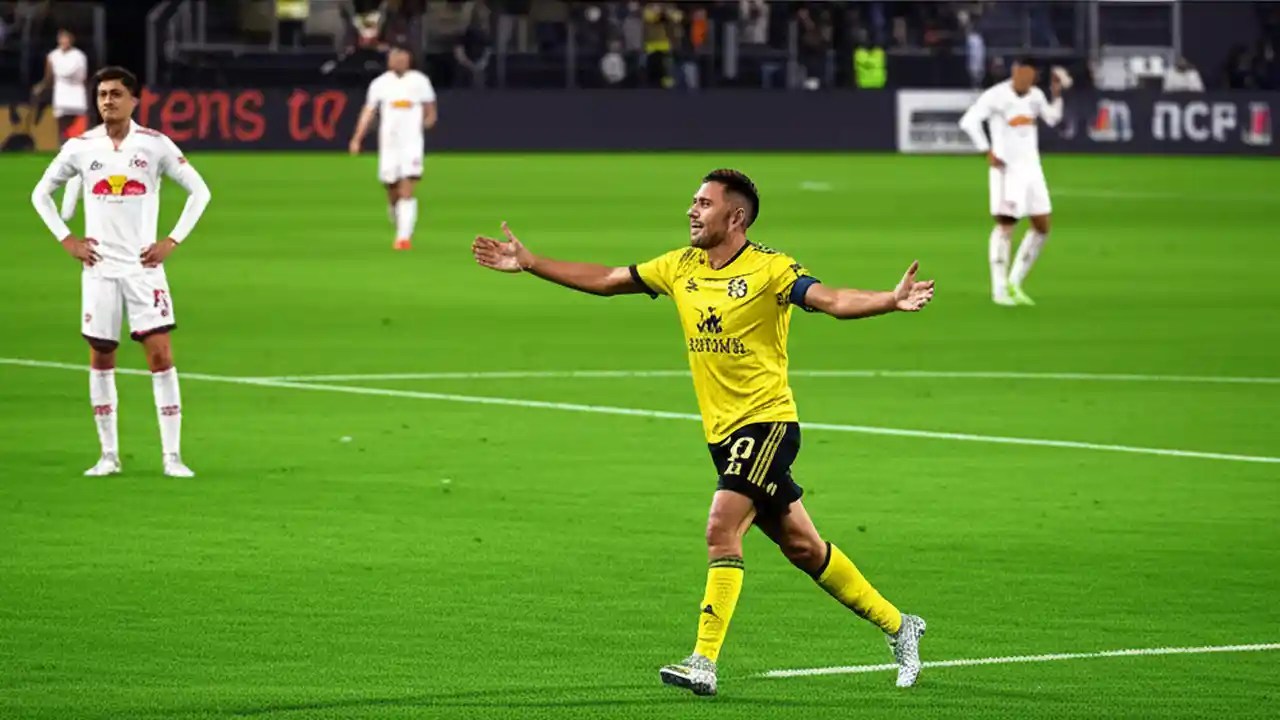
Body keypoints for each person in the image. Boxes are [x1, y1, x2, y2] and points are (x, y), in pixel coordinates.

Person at [471, 169, 934, 696]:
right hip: (722, 436)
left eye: (704, 203)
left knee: (721, 527)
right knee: (804, 548)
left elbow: (831, 300)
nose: (692, 210)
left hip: (766, 424)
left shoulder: (770, 269)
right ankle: (900, 625)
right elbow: (608, 279)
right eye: (693, 201)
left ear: (735, 217)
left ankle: (703, 660)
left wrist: (888, 299)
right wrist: (531, 263)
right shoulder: (680, 266)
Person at [30, 66, 212, 478]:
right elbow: (41, 194)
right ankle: (108, 455)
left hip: (143, 269)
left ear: (134, 100)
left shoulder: (154, 144)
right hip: (99, 270)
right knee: (101, 356)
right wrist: (67, 239)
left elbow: (200, 191)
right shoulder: (81, 147)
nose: (107, 101)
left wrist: (171, 241)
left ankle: (172, 456)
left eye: (115, 94)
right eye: (102, 95)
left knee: (161, 355)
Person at [959, 57, 1063, 306]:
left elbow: (1052, 118)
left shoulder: (1036, 96)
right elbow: (968, 121)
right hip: (1007, 171)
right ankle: (999, 289)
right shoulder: (996, 96)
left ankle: (1015, 282)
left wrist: (1058, 94)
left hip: (1032, 170)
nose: (1027, 78)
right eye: (1022, 72)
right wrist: (986, 149)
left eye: (1031, 74)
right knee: (1006, 226)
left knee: (1042, 226)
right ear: (1015, 72)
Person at [348, 47, 437, 251]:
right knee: (391, 187)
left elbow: (430, 109)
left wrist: (427, 122)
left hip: (411, 144)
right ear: (389, 61)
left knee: (407, 187)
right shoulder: (380, 84)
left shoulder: (420, 81)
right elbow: (368, 111)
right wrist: (357, 138)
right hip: (389, 144)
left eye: (403, 58)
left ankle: (403, 237)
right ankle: (397, 216)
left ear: (409, 60)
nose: (399, 62)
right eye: (395, 58)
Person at [32, 29, 90, 222]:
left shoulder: (79, 56)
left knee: (79, 137)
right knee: (63, 136)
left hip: (77, 97)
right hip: (62, 96)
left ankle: (80, 170)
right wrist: (42, 87)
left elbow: (82, 77)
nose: (64, 41)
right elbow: (49, 77)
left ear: (71, 40)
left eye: (67, 38)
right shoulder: (53, 56)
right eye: (61, 38)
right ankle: (66, 165)